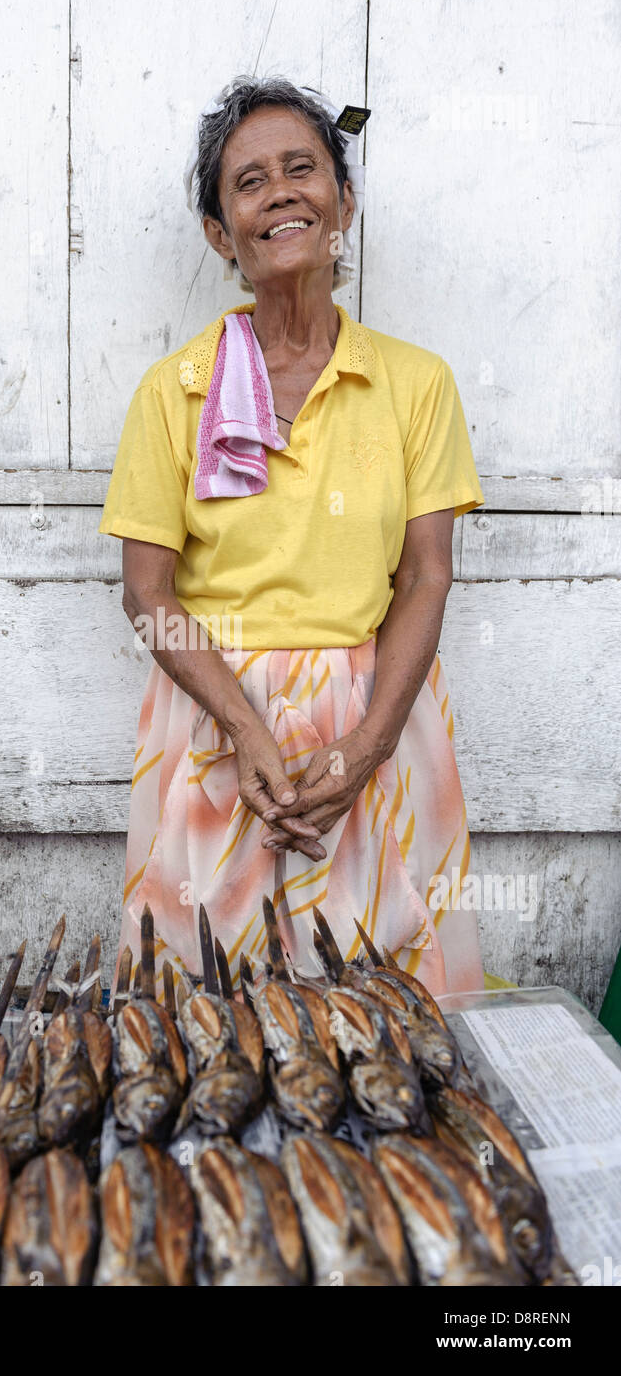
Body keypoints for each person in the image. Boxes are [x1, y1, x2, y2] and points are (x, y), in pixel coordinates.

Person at [98, 75, 485, 1000]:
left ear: (342, 200)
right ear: (218, 233)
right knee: (209, 1002)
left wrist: (367, 745)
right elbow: (147, 590)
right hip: (216, 716)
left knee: (385, 1004)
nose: (279, 192)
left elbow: (425, 576)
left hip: (373, 712)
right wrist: (242, 727)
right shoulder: (176, 389)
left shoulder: (412, 383)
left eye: (302, 169)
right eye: (248, 181)